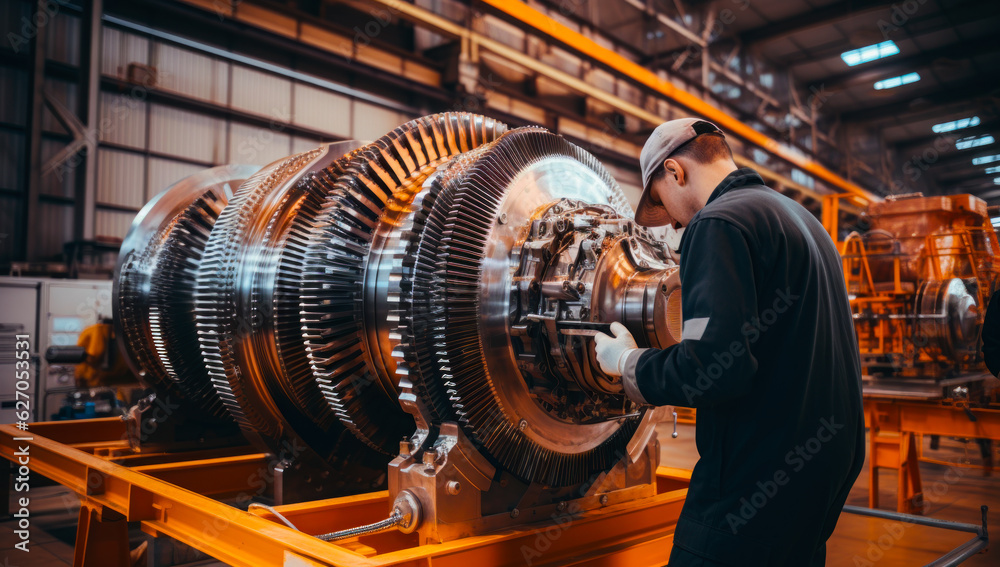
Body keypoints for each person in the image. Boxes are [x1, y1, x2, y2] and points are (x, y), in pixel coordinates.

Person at [594, 118, 865, 566]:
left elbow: (710, 369)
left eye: (667, 206)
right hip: (823, 470)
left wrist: (628, 362)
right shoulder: (805, 222)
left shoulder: (719, 222)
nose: (679, 227)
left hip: (758, 479)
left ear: (675, 172)